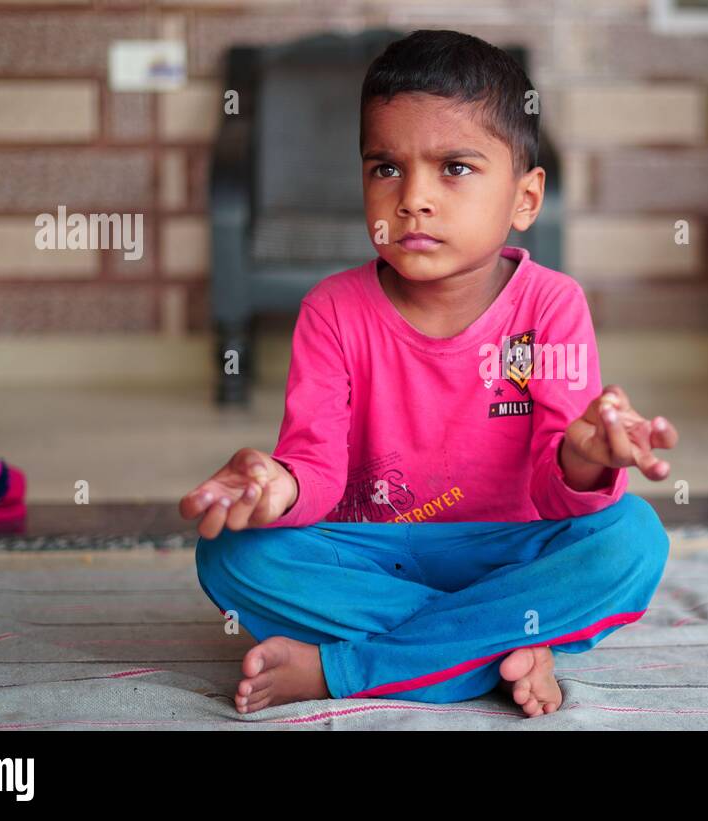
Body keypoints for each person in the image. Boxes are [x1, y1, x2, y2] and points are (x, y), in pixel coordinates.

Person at [182, 29, 677, 718]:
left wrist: (586, 457)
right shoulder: (331, 309)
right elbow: (316, 472)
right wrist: (277, 484)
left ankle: (351, 666)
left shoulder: (551, 304)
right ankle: (493, 646)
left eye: (455, 168)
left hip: (511, 550)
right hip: (372, 548)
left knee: (633, 541)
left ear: (525, 199)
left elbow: (555, 487)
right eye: (386, 167)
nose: (413, 197)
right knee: (230, 554)